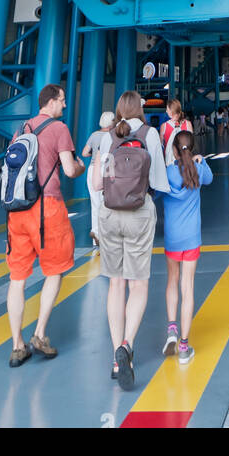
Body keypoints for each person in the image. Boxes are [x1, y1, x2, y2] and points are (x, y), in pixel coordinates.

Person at [91, 90, 171, 389]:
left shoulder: (106, 137)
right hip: (139, 214)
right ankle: (127, 344)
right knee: (138, 283)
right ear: (140, 109)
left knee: (115, 283)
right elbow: (159, 182)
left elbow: (98, 182)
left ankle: (116, 355)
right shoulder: (149, 135)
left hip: (109, 215)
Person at [6, 84, 85, 366]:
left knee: (17, 278)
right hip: (47, 208)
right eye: (62, 101)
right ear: (51, 101)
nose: (64, 106)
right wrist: (80, 166)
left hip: (17, 211)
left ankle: (17, 345)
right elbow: (68, 169)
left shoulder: (22, 129)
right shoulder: (59, 129)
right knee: (55, 270)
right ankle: (39, 333)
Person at [162, 129, 213, 365]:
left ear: (173, 149)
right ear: (191, 148)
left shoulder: (168, 173)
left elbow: (154, 192)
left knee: (172, 279)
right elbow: (210, 178)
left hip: (173, 238)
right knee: (187, 287)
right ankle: (184, 346)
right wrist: (198, 160)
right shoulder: (199, 169)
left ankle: (171, 328)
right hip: (192, 237)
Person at [81, 111, 115, 246]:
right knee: (107, 202)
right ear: (111, 122)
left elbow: (84, 152)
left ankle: (96, 232)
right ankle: (107, 235)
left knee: (94, 203)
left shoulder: (94, 135)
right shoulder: (111, 136)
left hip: (92, 169)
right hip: (106, 168)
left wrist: (94, 154)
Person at [160, 98, 192, 165]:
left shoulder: (164, 126)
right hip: (186, 162)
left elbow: (161, 146)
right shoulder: (188, 124)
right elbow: (191, 144)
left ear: (172, 111)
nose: (166, 111)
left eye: (167, 109)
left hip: (169, 163)